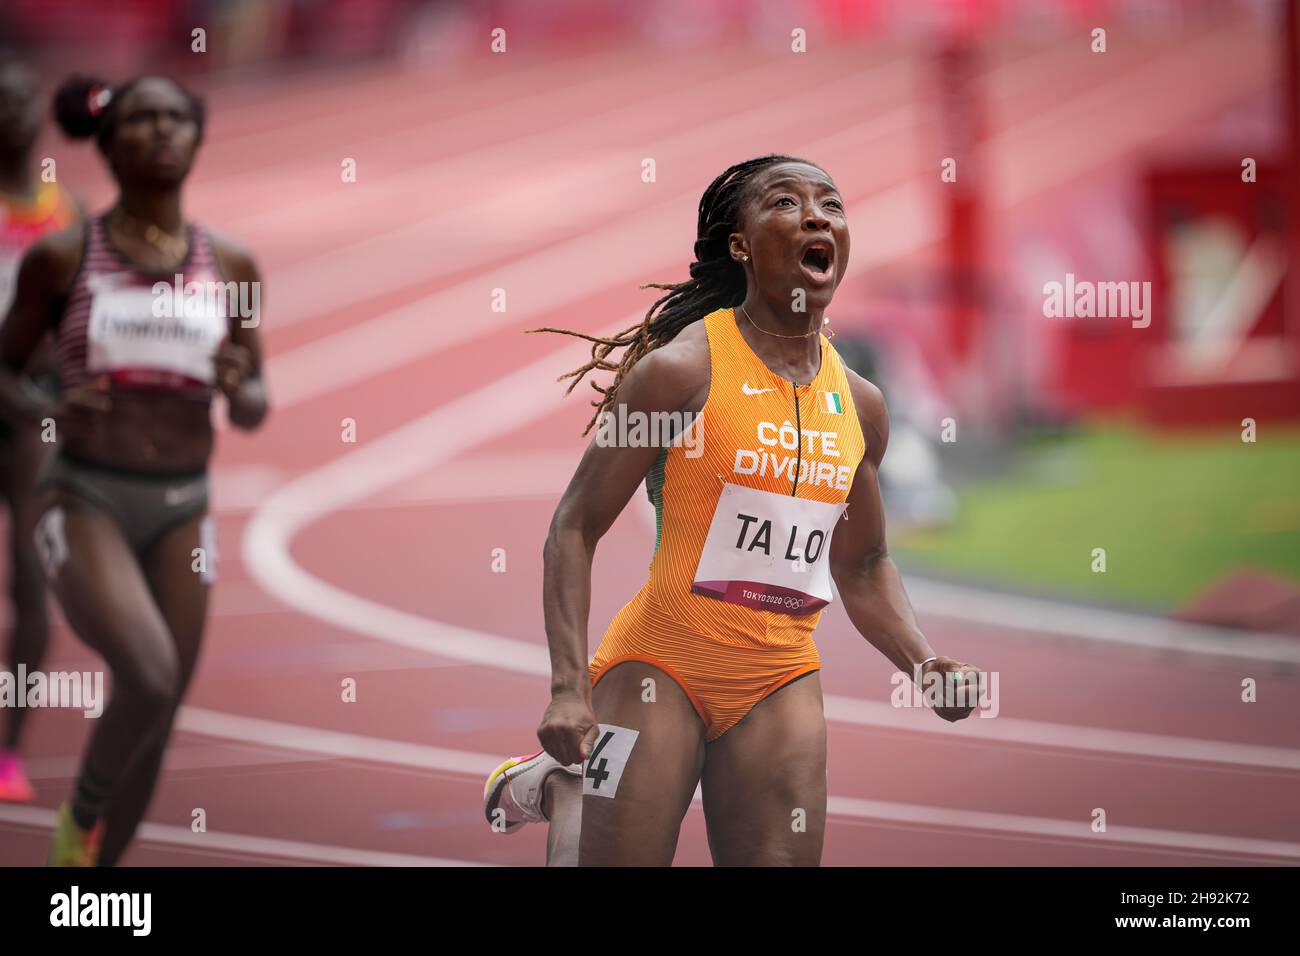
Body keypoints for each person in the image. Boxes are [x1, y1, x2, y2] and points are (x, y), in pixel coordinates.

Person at [484, 155, 981, 866]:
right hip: (661, 664)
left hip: (780, 677)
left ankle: (578, 791)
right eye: (786, 202)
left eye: (831, 205)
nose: (817, 217)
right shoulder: (681, 372)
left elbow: (864, 562)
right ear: (740, 245)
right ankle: (569, 792)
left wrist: (923, 661)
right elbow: (574, 525)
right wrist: (569, 689)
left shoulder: (863, 406)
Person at [0, 73, 268, 865]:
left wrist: (237, 385)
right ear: (108, 143)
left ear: (197, 138)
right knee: (147, 673)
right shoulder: (62, 256)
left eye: (175, 118)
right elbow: (4, 371)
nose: (160, 131)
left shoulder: (236, 266)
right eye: (141, 119)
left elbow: (254, 400)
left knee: (160, 708)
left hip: (183, 506)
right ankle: (77, 824)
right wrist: (47, 412)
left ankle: (96, 897)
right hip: (84, 494)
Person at [0, 51, 79, 804]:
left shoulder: (63, 210)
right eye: (3, 100)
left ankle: (8, 747)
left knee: (29, 577)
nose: (14, 112)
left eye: (25, 97)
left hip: (28, 415)